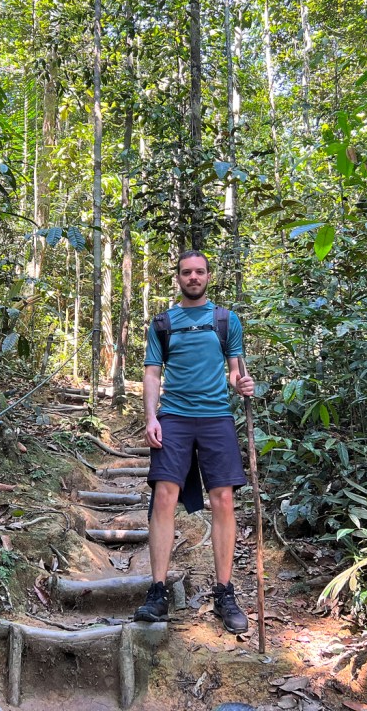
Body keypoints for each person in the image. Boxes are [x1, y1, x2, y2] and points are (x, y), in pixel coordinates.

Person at [134, 250, 255, 633]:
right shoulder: (163, 322)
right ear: (178, 278)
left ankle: (224, 591)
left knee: (223, 499)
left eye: (199, 271)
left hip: (216, 416)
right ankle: (157, 591)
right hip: (175, 417)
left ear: (208, 276)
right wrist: (151, 416)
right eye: (186, 272)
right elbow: (153, 374)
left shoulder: (225, 320)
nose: (193, 277)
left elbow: (236, 372)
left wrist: (244, 384)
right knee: (164, 496)